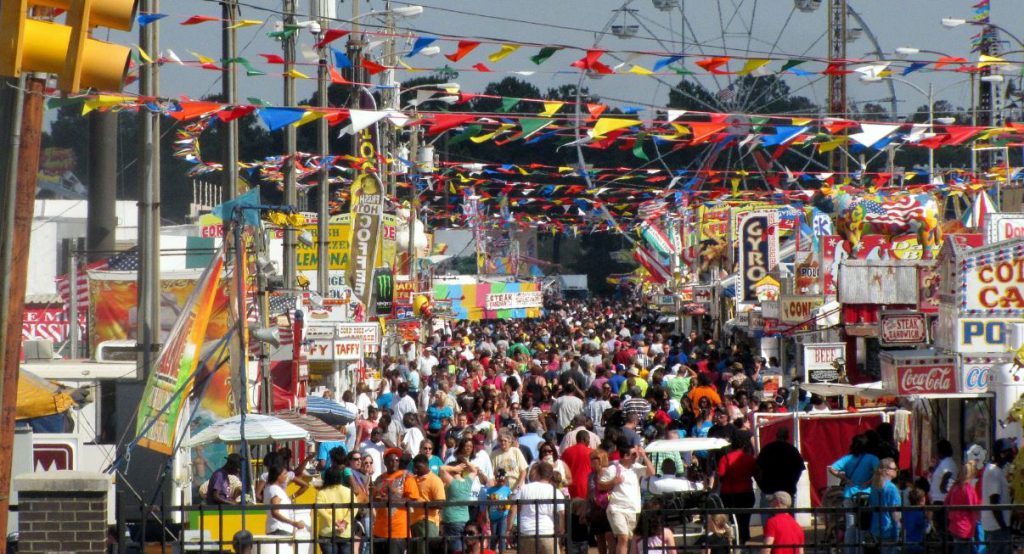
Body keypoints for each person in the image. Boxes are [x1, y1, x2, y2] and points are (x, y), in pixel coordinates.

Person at [601, 440, 655, 554]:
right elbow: (601, 485)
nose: (636, 456)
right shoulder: (613, 468)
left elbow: (652, 472)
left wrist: (644, 455)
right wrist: (613, 482)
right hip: (617, 509)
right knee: (623, 538)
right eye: (634, 454)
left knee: (631, 541)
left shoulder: (636, 468)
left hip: (633, 510)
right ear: (626, 456)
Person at [828, 434, 880, 552]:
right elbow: (879, 471)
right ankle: (860, 551)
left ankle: (849, 551)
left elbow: (832, 468)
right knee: (863, 526)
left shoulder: (848, 458)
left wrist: (845, 479)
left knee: (850, 527)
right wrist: (869, 481)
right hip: (866, 494)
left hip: (849, 494)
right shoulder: (872, 458)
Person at [513, 461, 565, 554]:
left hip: (526, 532)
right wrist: (561, 530)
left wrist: (509, 528)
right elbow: (562, 513)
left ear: (537, 473)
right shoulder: (555, 491)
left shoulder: (524, 488)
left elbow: (513, 509)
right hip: (547, 532)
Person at [372, 448, 416, 554]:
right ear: (385, 462)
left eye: (397, 460)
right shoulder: (379, 479)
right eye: (391, 460)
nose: (394, 463)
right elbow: (374, 499)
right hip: (380, 529)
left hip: (398, 531)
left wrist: (390, 500)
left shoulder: (406, 477)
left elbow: (412, 499)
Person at [716, 431, 757, 545]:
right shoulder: (749, 459)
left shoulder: (725, 458)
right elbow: (756, 475)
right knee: (744, 520)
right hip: (746, 493)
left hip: (729, 494)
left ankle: (733, 540)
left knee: (730, 520)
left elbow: (721, 477)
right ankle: (744, 539)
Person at [982, 438, 1017, 554]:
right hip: (996, 528)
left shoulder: (997, 471)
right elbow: (994, 502)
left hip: (997, 526)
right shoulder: (993, 472)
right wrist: (1003, 526)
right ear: (1002, 454)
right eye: (1010, 451)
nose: (1013, 454)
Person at [756, 427, 805, 503]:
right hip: (787, 490)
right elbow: (799, 469)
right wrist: (793, 482)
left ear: (776, 435)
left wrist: (762, 485)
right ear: (787, 437)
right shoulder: (792, 450)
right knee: (785, 514)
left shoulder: (767, 449)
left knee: (767, 513)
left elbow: (757, 468)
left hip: (769, 489)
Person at [409, 453, 446, 554]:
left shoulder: (435, 480)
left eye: (418, 467)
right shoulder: (413, 479)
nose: (416, 470)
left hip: (428, 521)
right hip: (412, 522)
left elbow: (440, 503)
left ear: (426, 465)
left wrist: (421, 504)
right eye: (415, 467)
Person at [439, 457, 476, 552]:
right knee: (463, 547)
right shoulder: (467, 482)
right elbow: (474, 470)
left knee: (455, 550)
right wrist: (467, 462)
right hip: (465, 519)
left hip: (451, 520)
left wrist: (454, 468)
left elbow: (441, 469)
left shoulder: (451, 482)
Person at [315, 465, 354, 554]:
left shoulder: (322, 493)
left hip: (327, 531)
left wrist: (334, 521)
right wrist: (344, 522)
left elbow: (320, 509)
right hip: (345, 531)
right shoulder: (348, 491)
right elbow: (354, 508)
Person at [866, 458, 901, 554]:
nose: (896, 470)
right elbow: (896, 514)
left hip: (875, 528)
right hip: (888, 529)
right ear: (887, 471)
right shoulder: (892, 488)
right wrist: (898, 533)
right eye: (894, 469)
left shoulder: (874, 486)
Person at [946, 462, 980, 554]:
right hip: (965, 526)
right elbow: (973, 506)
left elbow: (946, 502)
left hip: (954, 524)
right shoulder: (968, 488)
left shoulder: (954, 487)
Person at [265, 465, 307, 537]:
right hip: (280, 529)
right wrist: (294, 523)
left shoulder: (273, 488)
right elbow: (275, 512)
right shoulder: (275, 490)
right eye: (284, 474)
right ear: (278, 476)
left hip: (281, 529)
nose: (286, 476)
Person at [481, 469, 513, 553]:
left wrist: (504, 508)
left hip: (503, 517)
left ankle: (502, 552)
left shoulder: (507, 490)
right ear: (496, 479)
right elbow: (487, 505)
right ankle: (492, 551)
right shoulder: (490, 490)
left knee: (502, 537)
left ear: (505, 480)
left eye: (502, 480)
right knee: (493, 537)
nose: (501, 482)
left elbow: (510, 503)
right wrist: (487, 516)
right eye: (499, 480)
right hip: (493, 517)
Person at [560, 429, 593, 499]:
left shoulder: (567, 451)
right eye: (588, 439)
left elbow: (561, 467)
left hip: (570, 486)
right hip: (586, 486)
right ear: (584, 439)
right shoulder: (591, 452)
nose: (589, 442)